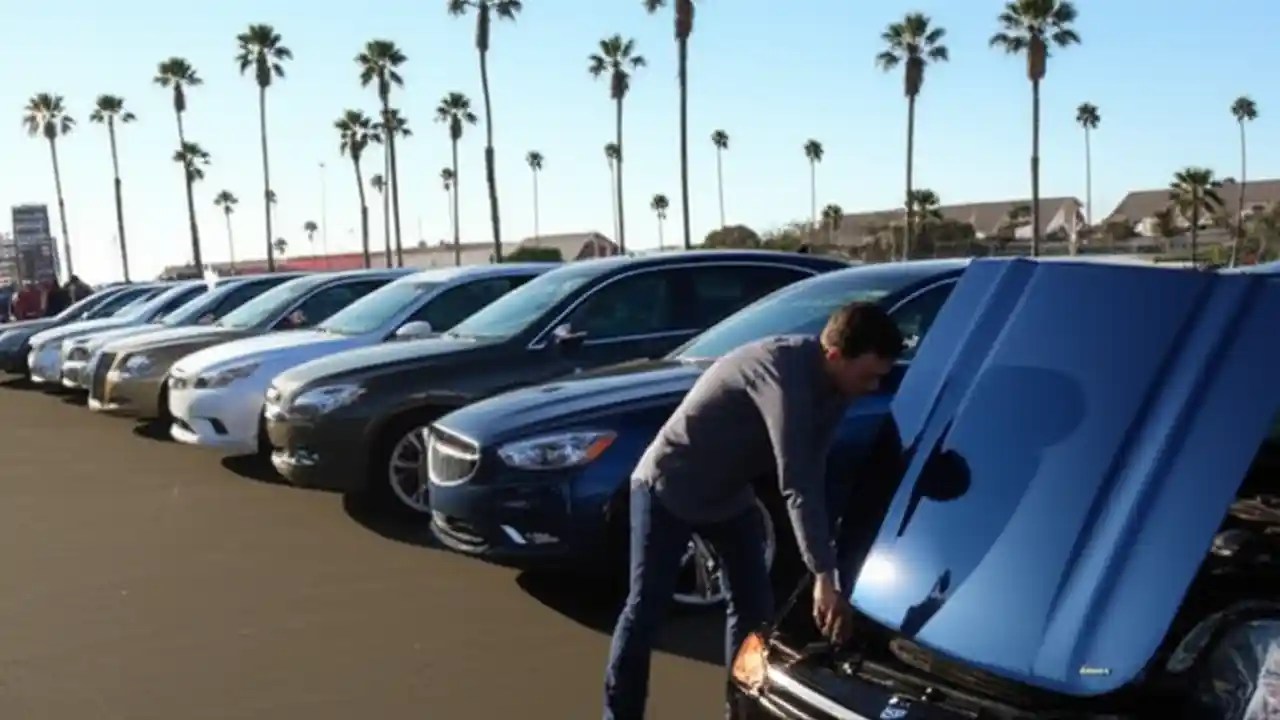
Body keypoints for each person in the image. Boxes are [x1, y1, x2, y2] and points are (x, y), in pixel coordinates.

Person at [602, 302, 905, 720]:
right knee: (646, 609)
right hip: (667, 486)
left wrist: (831, 560)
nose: (873, 387)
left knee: (754, 610)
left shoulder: (838, 389)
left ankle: (742, 712)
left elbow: (815, 474)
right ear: (835, 355)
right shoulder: (782, 374)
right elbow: (796, 481)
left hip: (728, 496)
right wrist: (823, 574)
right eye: (868, 375)